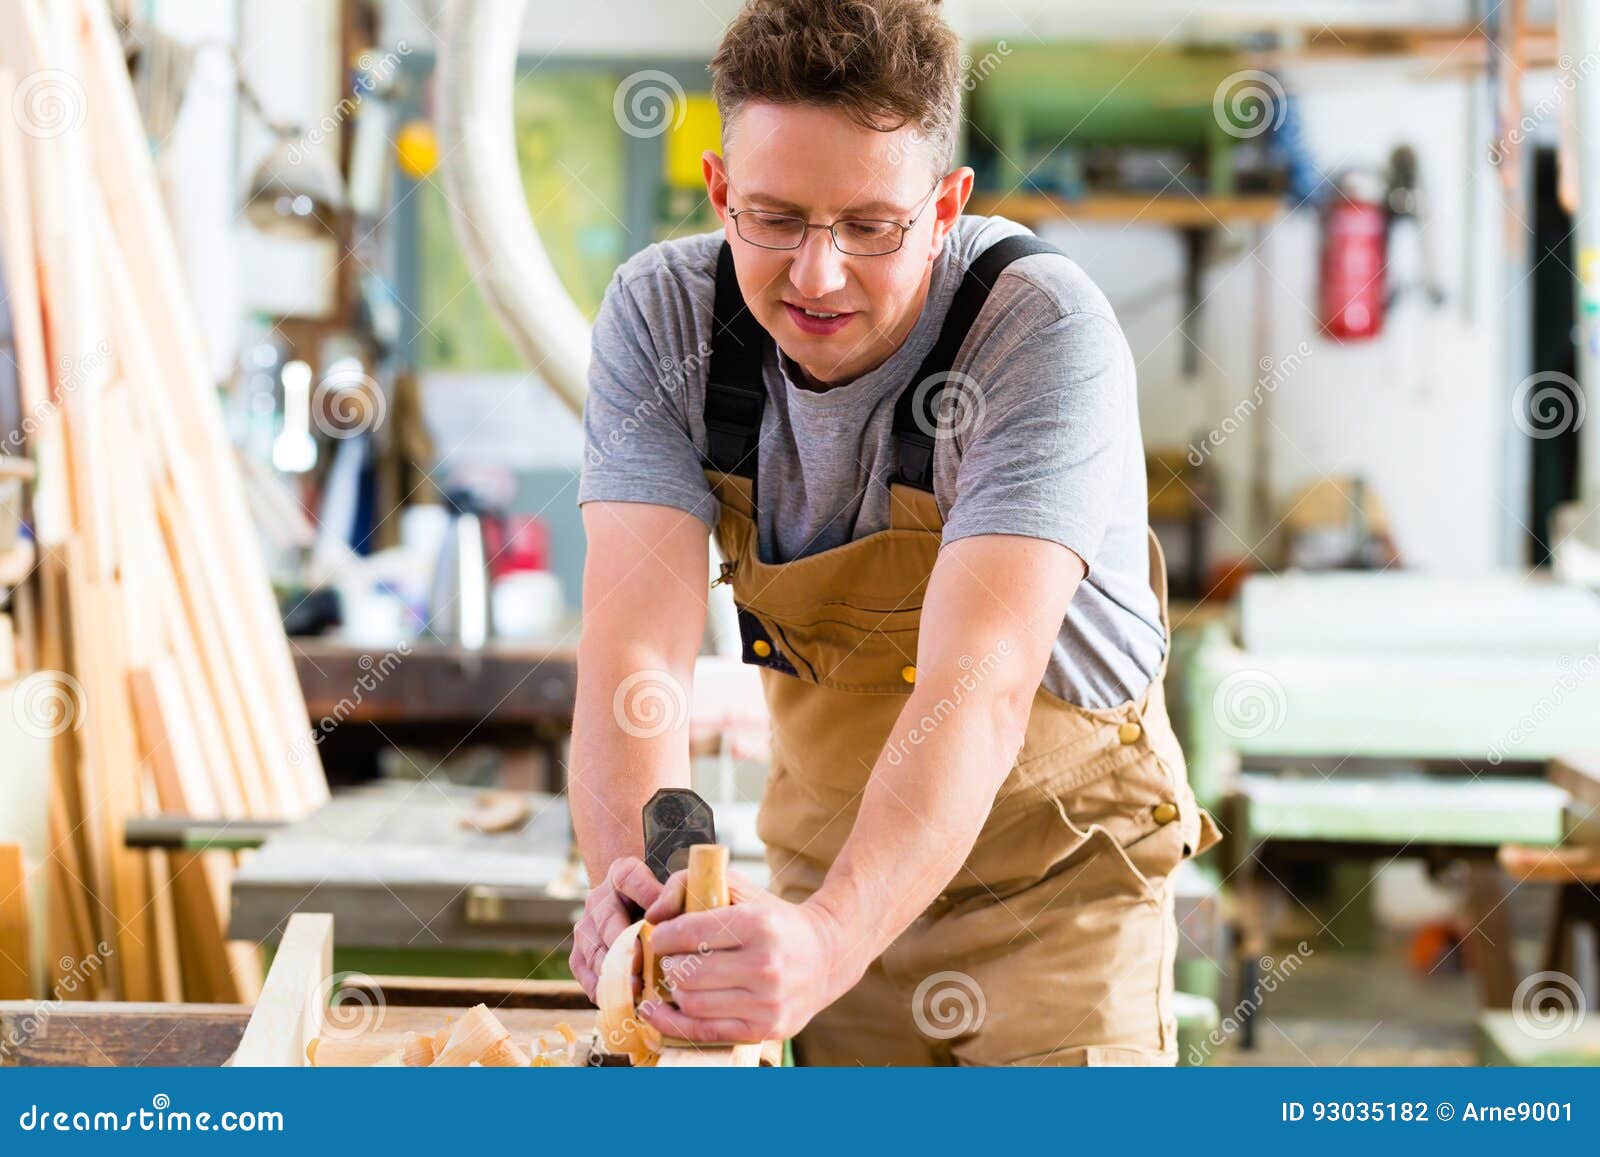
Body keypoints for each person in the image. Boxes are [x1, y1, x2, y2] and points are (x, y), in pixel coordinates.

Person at [568, 0, 1218, 1066]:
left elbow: (981, 680)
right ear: (720, 192)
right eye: (775, 219)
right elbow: (635, 651)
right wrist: (638, 895)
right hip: (828, 871)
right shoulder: (663, 319)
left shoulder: (1038, 331)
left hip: (1054, 895)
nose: (817, 275)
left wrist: (830, 941)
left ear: (946, 204)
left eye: (871, 226)